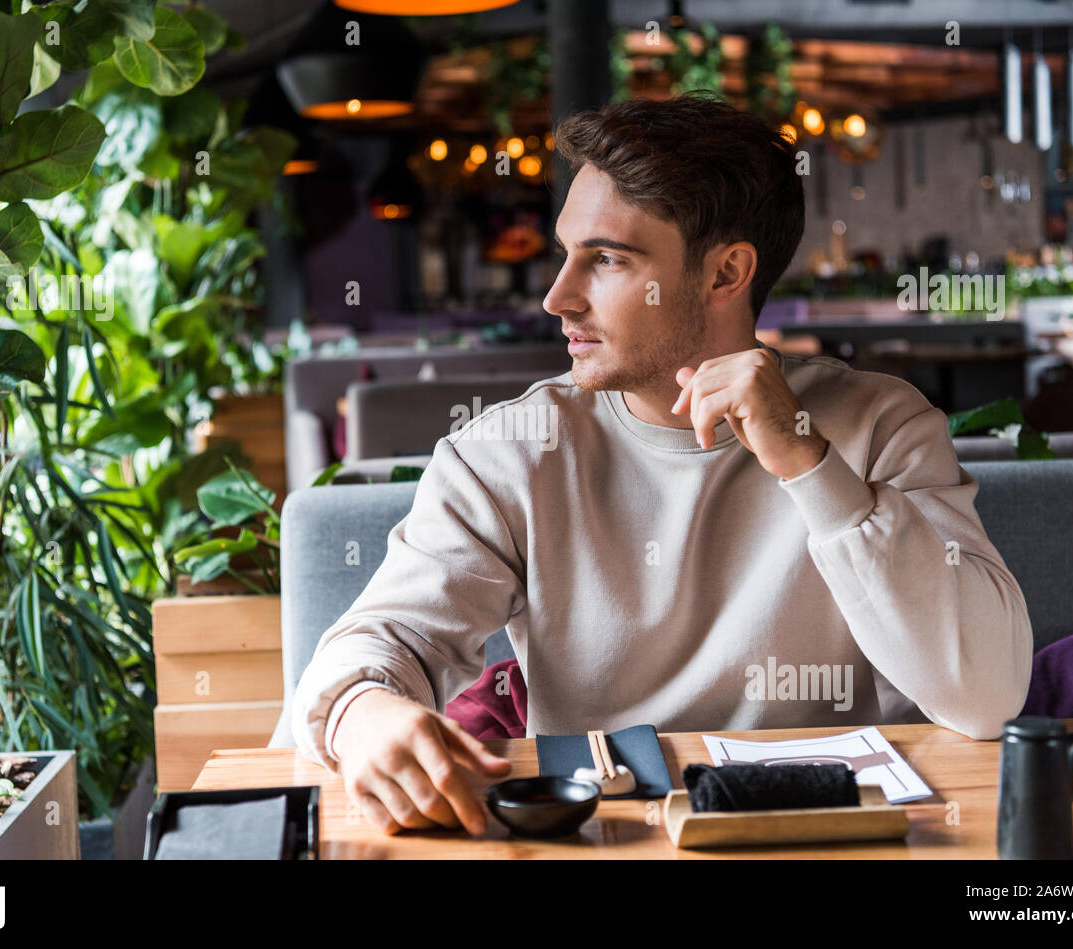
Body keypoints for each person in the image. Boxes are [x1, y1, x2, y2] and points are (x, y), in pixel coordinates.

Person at [289, 92, 1033, 837]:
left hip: (830, 841)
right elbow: (383, 640)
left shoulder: (881, 426)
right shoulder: (510, 452)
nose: (557, 297)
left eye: (607, 259)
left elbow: (986, 693)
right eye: (565, 255)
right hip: (607, 839)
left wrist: (809, 465)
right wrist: (362, 714)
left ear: (724, 273)